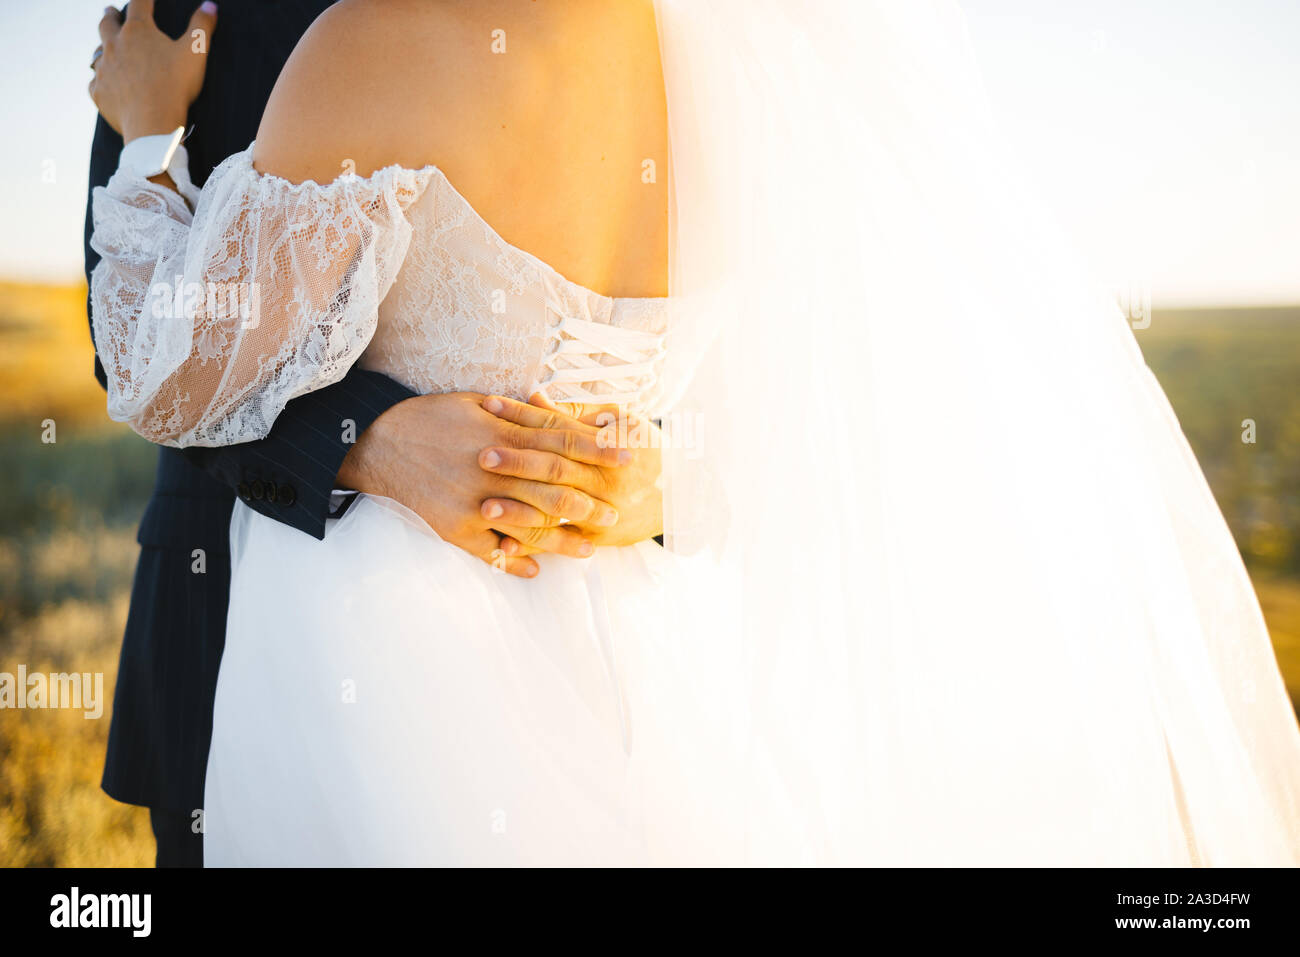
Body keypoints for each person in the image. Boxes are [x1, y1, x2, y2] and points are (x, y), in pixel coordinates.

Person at [89, 0, 1300, 865]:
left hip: (378, 658)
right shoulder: (733, 70)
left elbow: (157, 366)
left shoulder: (365, 41)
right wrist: (388, 440)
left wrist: (149, 137)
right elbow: (808, 389)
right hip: (653, 665)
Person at [84, 0, 661, 867]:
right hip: (227, 609)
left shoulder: (687, 57)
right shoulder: (187, 17)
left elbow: (155, 355)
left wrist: (654, 479)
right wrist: (361, 441)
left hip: (596, 681)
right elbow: (118, 346)